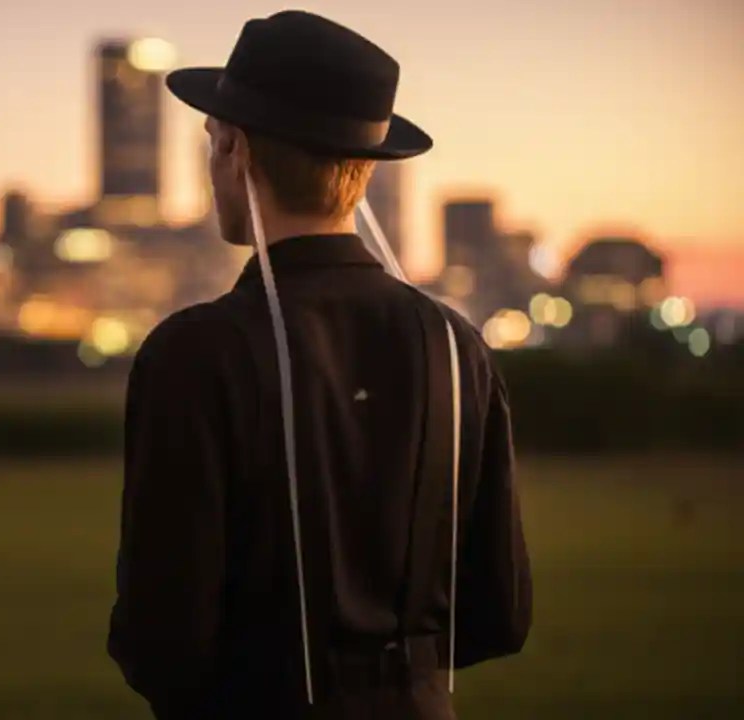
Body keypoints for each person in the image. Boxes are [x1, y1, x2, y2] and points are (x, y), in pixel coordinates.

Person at [107, 11, 532, 719]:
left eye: (212, 141)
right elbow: (500, 616)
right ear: (363, 168)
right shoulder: (457, 345)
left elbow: (163, 641)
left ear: (235, 149)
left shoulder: (197, 354)